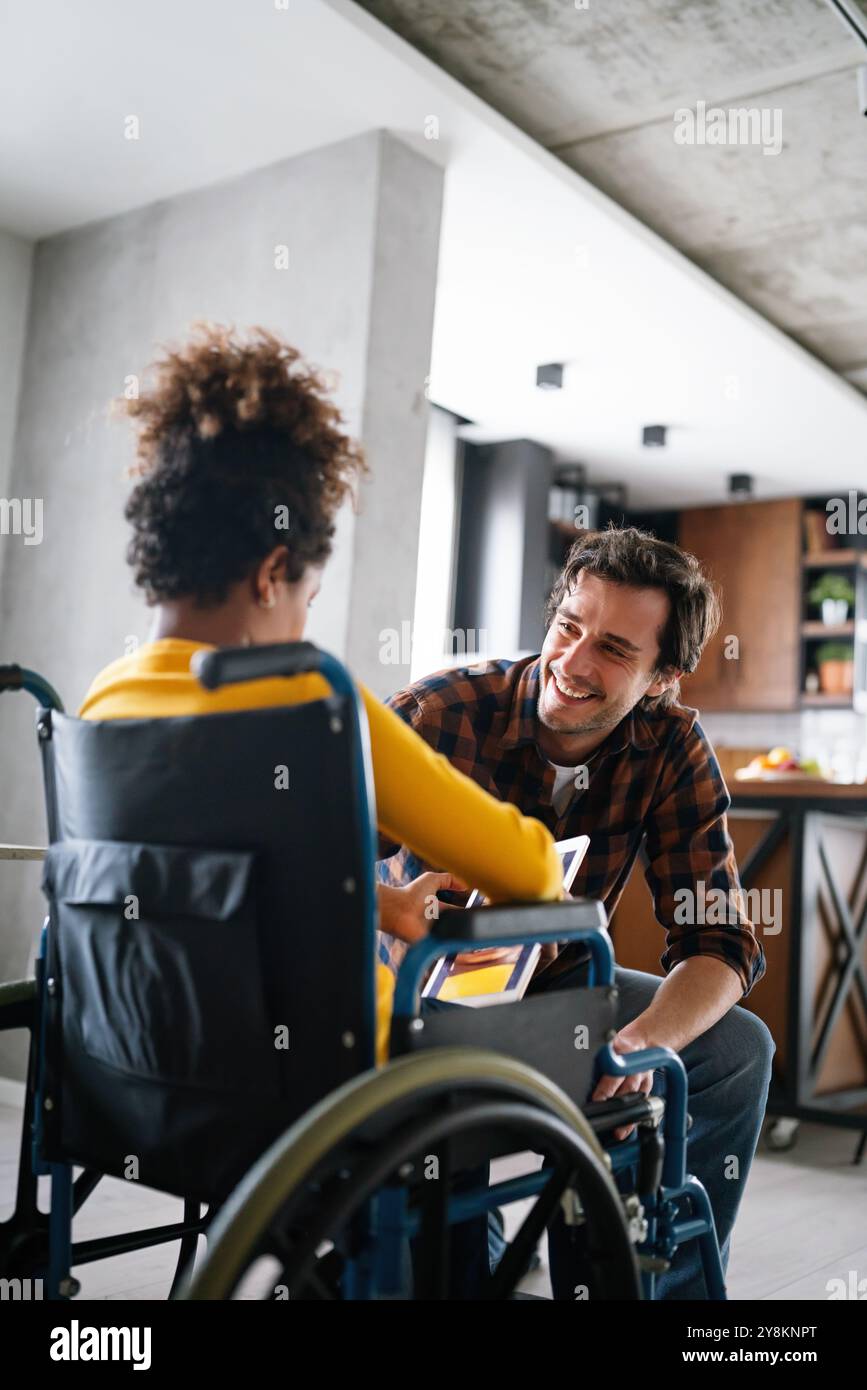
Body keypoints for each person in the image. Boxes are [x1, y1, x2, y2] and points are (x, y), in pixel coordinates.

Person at [78, 323, 562, 1083]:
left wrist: (380, 902)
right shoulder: (311, 698)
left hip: (145, 1080)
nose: (303, 620)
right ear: (274, 572)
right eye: (308, 594)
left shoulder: (105, 700)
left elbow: (216, 885)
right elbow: (530, 873)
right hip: (342, 1095)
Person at [378, 525, 776, 1299]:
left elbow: (720, 940)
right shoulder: (437, 713)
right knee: (447, 1258)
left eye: (615, 650)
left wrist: (640, 1043)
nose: (574, 662)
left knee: (734, 1050)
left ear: (663, 676)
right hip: (424, 1006)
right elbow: (305, 869)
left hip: (560, 997)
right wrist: (387, 905)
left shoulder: (671, 745)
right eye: (569, 626)